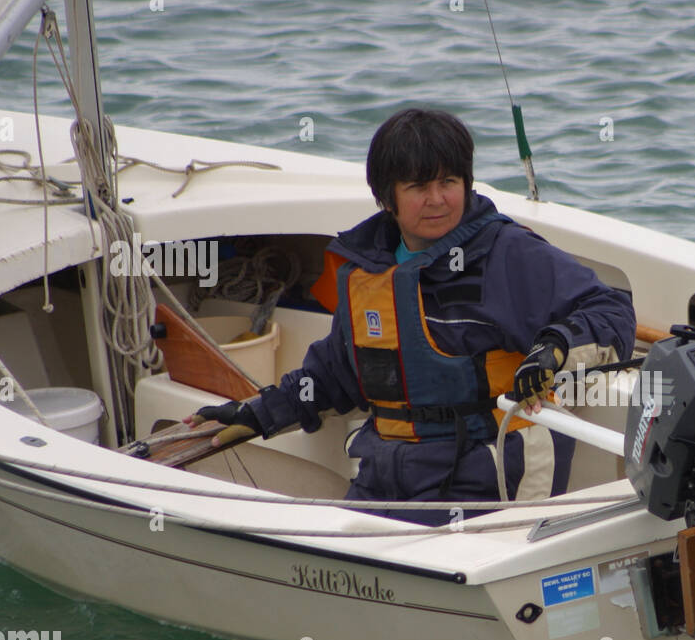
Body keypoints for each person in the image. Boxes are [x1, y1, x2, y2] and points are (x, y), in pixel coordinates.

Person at [187, 108, 635, 524]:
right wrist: (258, 413)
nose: (437, 200)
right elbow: (335, 373)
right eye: (418, 188)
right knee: (336, 554)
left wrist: (552, 351)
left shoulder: (509, 254)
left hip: (493, 469)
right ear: (388, 198)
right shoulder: (368, 270)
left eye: (449, 182)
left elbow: (610, 310)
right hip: (386, 467)